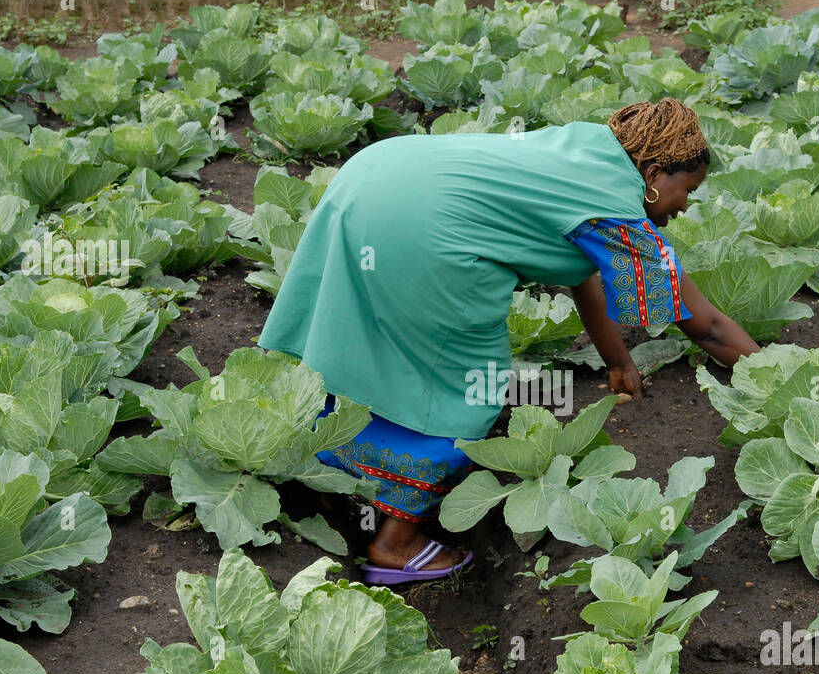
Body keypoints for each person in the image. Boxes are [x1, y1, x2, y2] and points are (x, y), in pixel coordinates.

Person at [259, 97, 760, 585]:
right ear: (653, 176)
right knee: (466, 384)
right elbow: (707, 326)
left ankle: (325, 468)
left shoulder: (590, 149)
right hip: (426, 226)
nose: (686, 205)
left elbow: (579, 271)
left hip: (370, 179)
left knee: (364, 333)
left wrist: (617, 359)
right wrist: (774, 380)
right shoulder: (616, 214)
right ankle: (392, 545)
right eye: (687, 189)